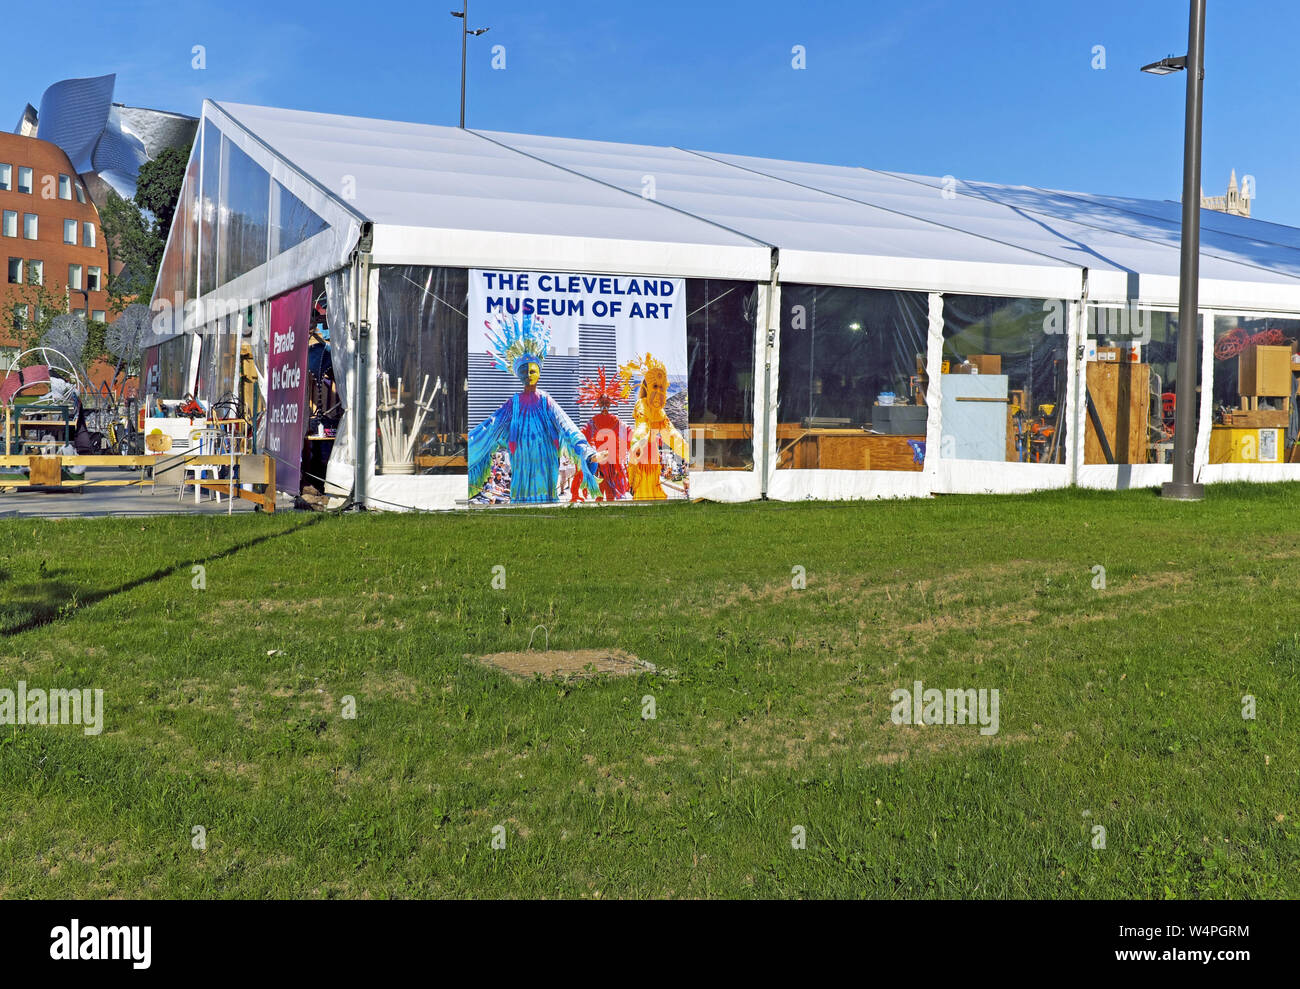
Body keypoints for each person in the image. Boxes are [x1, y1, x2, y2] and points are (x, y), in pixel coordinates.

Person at [469, 314, 606, 504]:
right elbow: (490, 427)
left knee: (545, 502)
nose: (528, 375)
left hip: (546, 461)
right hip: (522, 462)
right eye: (524, 371)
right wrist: (469, 445)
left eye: (532, 370)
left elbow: (568, 427)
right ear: (518, 374)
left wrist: (587, 452)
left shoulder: (546, 401)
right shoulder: (514, 403)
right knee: (522, 506)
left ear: (539, 372)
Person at [621, 353, 689, 500]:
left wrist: (688, 453)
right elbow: (642, 427)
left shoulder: (660, 412)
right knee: (644, 494)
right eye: (655, 386)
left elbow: (671, 435)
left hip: (653, 459)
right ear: (647, 387)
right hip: (642, 458)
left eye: (662, 388)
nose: (659, 392)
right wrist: (642, 440)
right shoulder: (642, 404)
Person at [570, 366, 632, 502]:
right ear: (598, 404)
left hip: (612, 465)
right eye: (602, 403)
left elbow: (630, 434)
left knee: (610, 494)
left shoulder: (616, 421)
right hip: (598, 463)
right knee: (598, 494)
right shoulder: (592, 422)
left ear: (610, 404)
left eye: (607, 403)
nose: (604, 406)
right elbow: (580, 435)